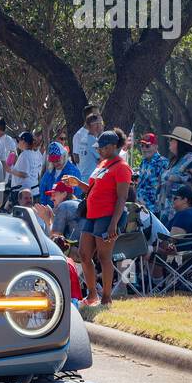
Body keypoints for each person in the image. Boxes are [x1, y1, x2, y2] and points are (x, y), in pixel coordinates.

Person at [63, 129, 132, 307]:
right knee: (84, 254)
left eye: (102, 148)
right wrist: (78, 183)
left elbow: (122, 197)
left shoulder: (122, 167)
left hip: (107, 216)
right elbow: (93, 189)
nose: (99, 150)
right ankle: (92, 295)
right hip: (92, 215)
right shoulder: (102, 165)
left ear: (113, 147)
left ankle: (107, 298)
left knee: (104, 256)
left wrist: (113, 224)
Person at [159, 127, 192, 223]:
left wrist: (179, 179)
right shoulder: (174, 160)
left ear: (179, 142)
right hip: (165, 208)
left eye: (171, 140)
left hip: (180, 210)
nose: (169, 142)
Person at [134, 133, 169, 215]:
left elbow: (164, 187)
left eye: (147, 146)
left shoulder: (162, 162)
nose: (144, 149)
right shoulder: (143, 162)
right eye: (142, 146)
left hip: (154, 210)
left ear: (156, 147)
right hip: (141, 208)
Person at [5, 131, 42, 197]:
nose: (17, 143)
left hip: (24, 193)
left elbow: (24, 174)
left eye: (18, 140)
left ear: (23, 142)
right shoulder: (34, 154)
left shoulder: (24, 155)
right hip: (33, 191)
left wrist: (10, 170)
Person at [72, 110, 104, 179]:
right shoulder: (93, 141)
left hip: (83, 178)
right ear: (94, 125)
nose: (102, 125)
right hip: (90, 179)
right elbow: (102, 160)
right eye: (100, 123)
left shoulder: (84, 139)